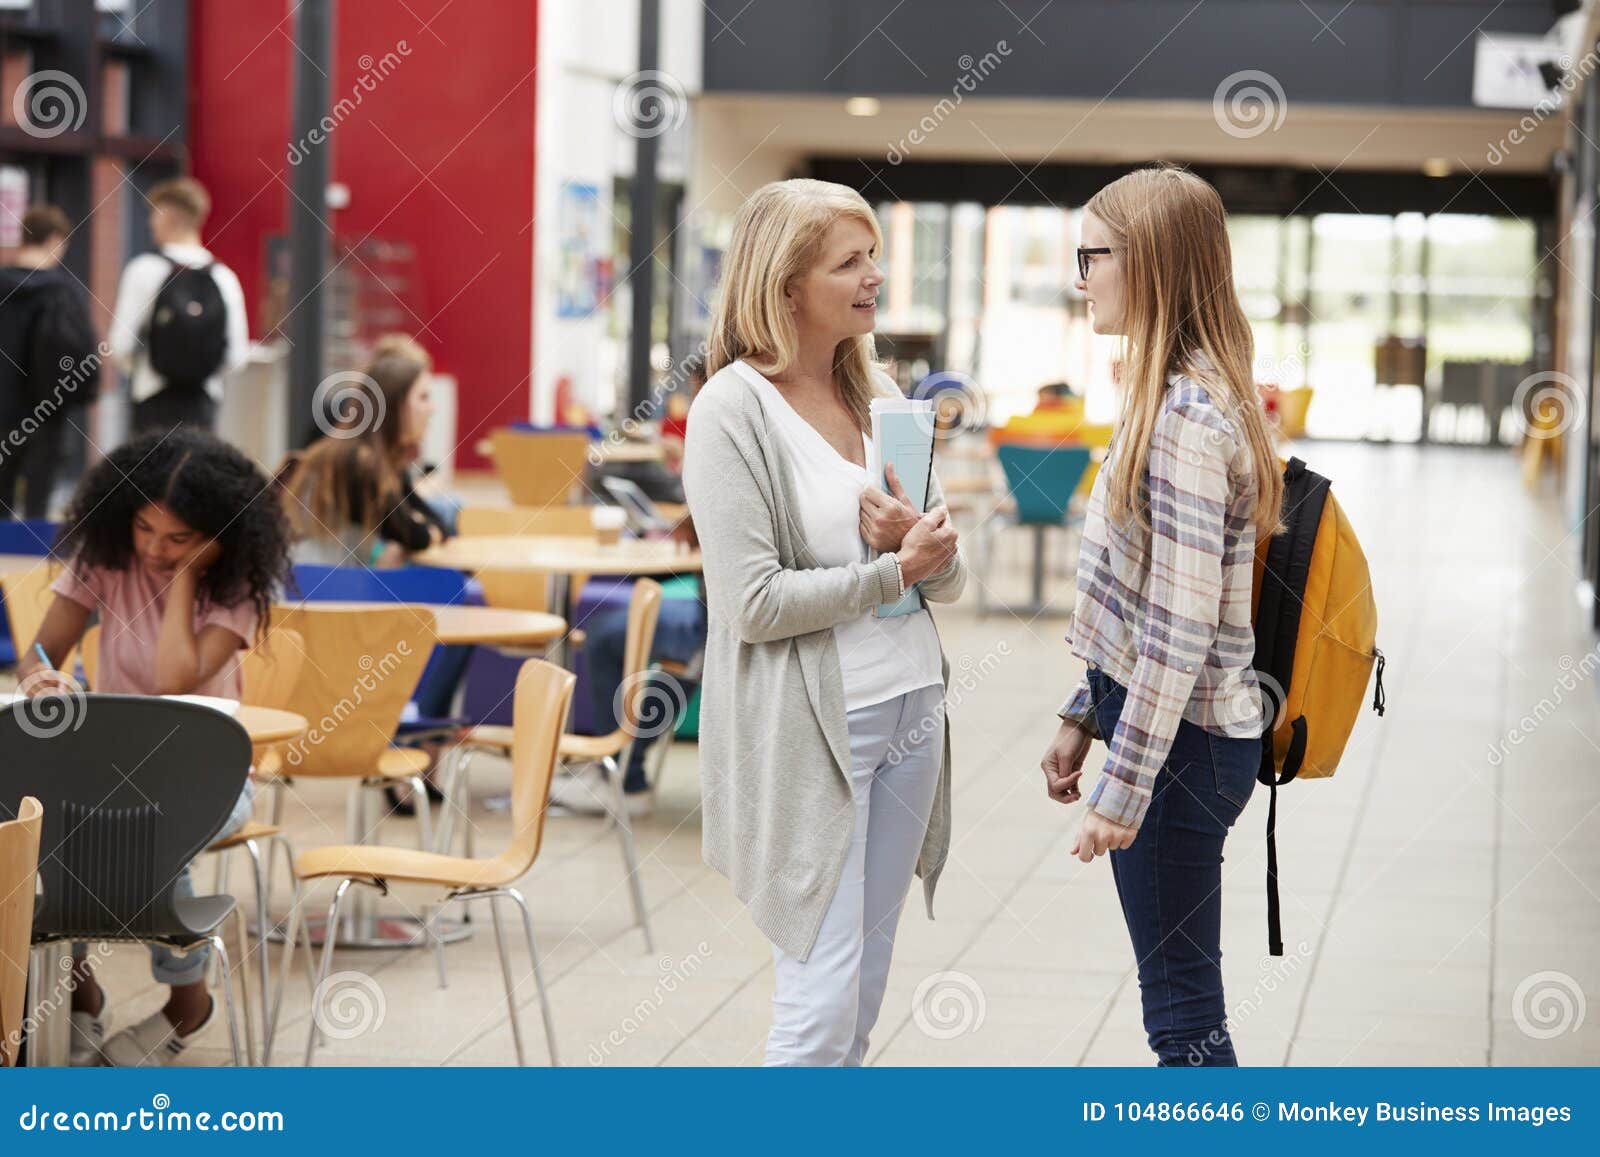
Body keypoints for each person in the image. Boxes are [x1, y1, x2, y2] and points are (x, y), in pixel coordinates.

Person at [683, 179, 965, 1066]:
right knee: (817, 1003)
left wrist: (926, 550)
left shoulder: (878, 391)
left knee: (863, 996)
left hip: (911, 706)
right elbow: (751, 603)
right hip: (816, 728)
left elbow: (944, 578)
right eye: (850, 261)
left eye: (873, 255)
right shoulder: (732, 409)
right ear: (787, 284)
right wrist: (888, 567)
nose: (875, 275)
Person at [1038, 165, 1284, 1067]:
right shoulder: (1185, 390)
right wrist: (1083, 710)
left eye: (1091, 256)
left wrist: (1124, 788)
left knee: (1182, 1017)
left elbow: (1180, 629)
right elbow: (1150, 600)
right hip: (1176, 732)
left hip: (1180, 752)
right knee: (1182, 1002)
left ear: (1147, 265)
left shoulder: (1182, 413)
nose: (1082, 276)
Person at [15, 428, 293, 1066]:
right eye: (145, 530)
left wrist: (186, 582)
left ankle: (185, 1004)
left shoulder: (238, 588)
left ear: (220, 535)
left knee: (151, 833)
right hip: (105, 768)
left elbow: (175, 679)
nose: (156, 550)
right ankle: (76, 995)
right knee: (43, 828)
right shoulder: (107, 557)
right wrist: (44, 679)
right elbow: (38, 652)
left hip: (211, 776)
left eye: (180, 539)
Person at [279, 334, 450, 566]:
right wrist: (427, 531)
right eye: (423, 397)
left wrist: (425, 529)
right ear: (396, 406)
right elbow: (414, 536)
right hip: (309, 591)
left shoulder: (379, 457)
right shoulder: (358, 462)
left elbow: (432, 523)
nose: (431, 408)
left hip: (321, 586)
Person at [108, 177, 249, 435]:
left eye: (154, 214)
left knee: (149, 473)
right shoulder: (224, 277)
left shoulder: (143, 270)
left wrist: (144, 370)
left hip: (152, 401)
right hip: (203, 404)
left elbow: (120, 345)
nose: (151, 222)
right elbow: (237, 356)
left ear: (167, 215)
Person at [0, 204, 98, 517]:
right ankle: (33, 562)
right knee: (38, 504)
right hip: (47, 413)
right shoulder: (64, 292)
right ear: (55, 239)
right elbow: (81, 352)